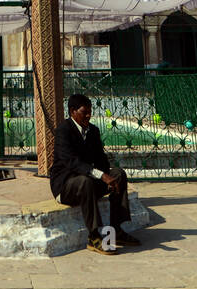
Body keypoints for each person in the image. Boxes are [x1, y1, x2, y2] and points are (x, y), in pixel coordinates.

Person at [50, 94, 139, 255]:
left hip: (88, 183)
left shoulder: (93, 131)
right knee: (85, 181)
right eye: (84, 112)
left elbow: (101, 160)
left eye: (90, 112)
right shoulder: (63, 131)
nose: (88, 115)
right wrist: (101, 175)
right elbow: (72, 162)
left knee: (119, 174)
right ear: (72, 111)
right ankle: (94, 236)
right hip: (66, 186)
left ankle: (116, 230)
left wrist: (108, 176)